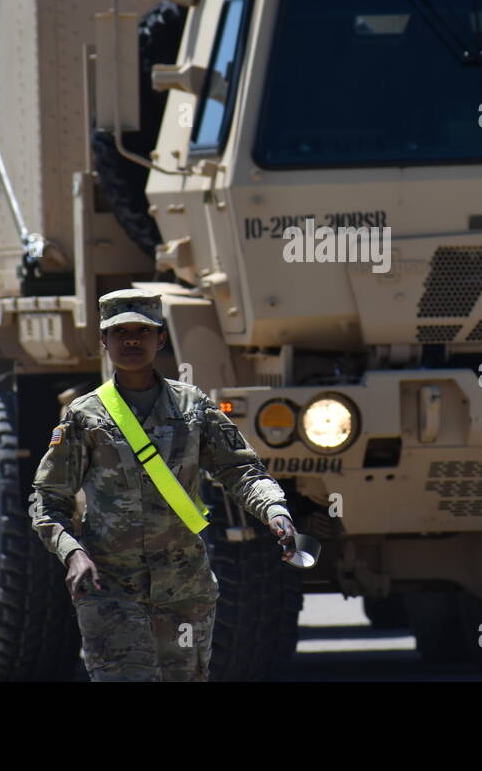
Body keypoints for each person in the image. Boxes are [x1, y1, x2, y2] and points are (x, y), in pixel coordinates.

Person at [28, 289, 298, 681]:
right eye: (121, 332)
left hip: (185, 592)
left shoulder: (193, 407)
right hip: (111, 592)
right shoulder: (84, 416)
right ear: (104, 341)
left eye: (142, 330)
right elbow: (48, 500)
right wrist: (73, 554)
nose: (132, 340)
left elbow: (241, 471)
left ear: (161, 338)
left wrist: (275, 510)